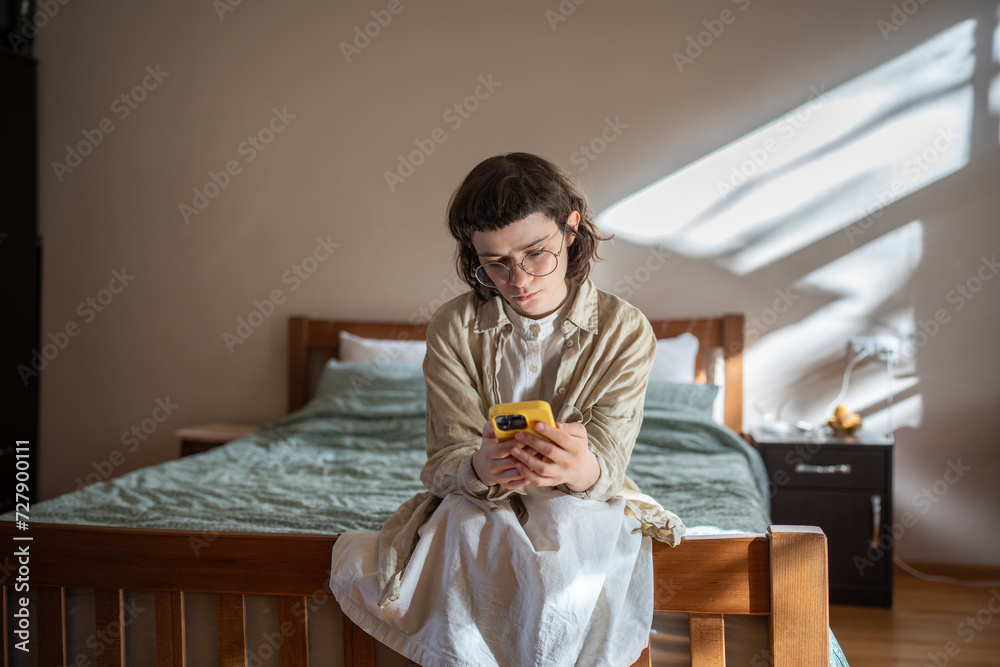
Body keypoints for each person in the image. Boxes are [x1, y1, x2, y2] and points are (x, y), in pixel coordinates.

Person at [331, 152, 683, 667]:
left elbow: (609, 461)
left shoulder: (625, 331)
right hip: (482, 499)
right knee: (469, 524)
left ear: (570, 229)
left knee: (572, 519)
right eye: (494, 262)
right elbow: (444, 459)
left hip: (580, 499)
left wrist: (582, 469)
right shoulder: (453, 326)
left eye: (536, 253)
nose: (518, 278)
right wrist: (475, 468)